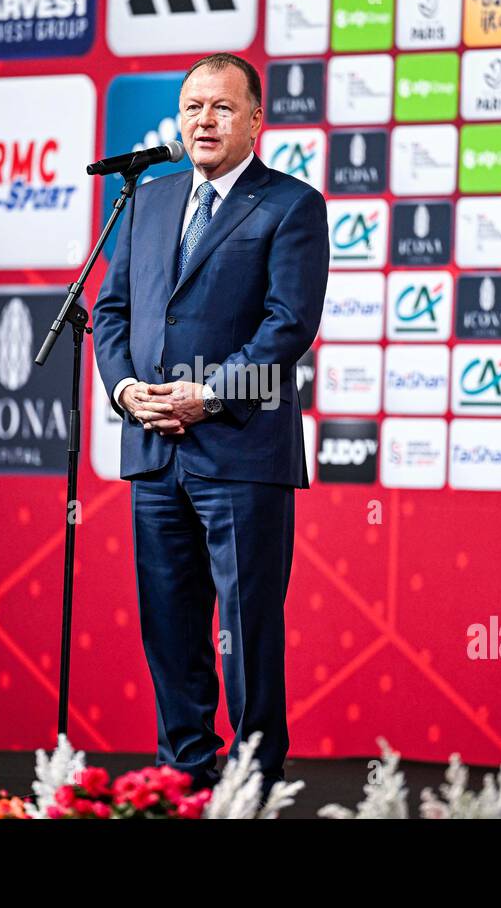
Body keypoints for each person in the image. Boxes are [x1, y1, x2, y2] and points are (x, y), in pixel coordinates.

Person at [92, 52, 330, 791]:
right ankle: (182, 770)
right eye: (193, 105)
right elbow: (110, 312)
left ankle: (254, 776)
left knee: (247, 627)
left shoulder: (291, 206)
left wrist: (209, 395)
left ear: (256, 120)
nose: (204, 119)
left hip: (241, 452)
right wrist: (128, 390)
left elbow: (289, 330)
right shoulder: (149, 201)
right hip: (154, 451)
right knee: (169, 625)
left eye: (222, 107)